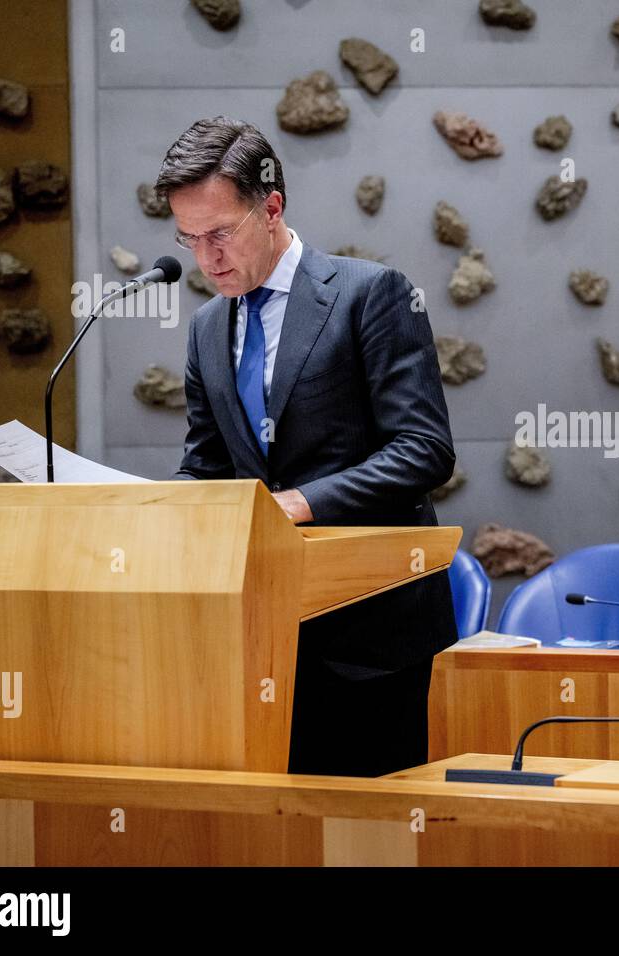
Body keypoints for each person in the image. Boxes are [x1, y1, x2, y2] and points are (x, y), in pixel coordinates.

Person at [156, 116, 457, 777]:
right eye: (189, 239)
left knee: (366, 838)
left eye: (220, 234)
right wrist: (156, 511)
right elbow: (209, 466)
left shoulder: (370, 293)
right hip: (257, 637)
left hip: (369, 636)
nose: (206, 259)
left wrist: (297, 504)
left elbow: (424, 449)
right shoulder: (209, 328)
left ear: (271, 207)